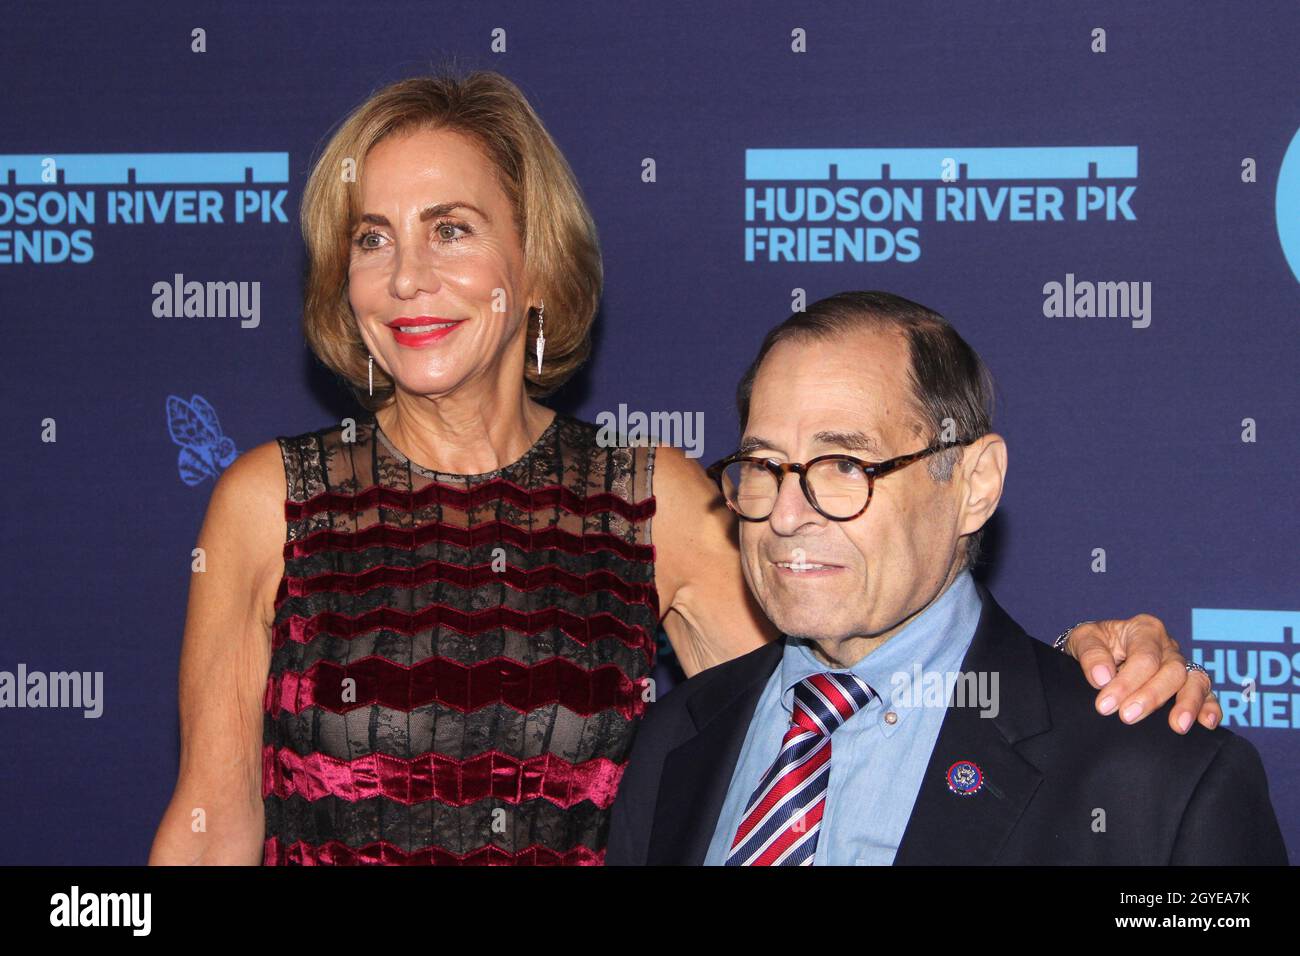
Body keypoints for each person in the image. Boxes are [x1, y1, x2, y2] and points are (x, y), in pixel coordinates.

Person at [149, 72, 1219, 866]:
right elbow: (213, 818)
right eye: (371, 237)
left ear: (533, 263)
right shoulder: (267, 502)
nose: (408, 275)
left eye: (452, 228)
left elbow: (854, 698)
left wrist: (1084, 669)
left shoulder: (650, 500)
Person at [606, 291, 1287, 866]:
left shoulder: (1160, 782)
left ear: (973, 485)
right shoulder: (674, 740)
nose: (786, 515)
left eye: (845, 464)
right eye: (763, 465)